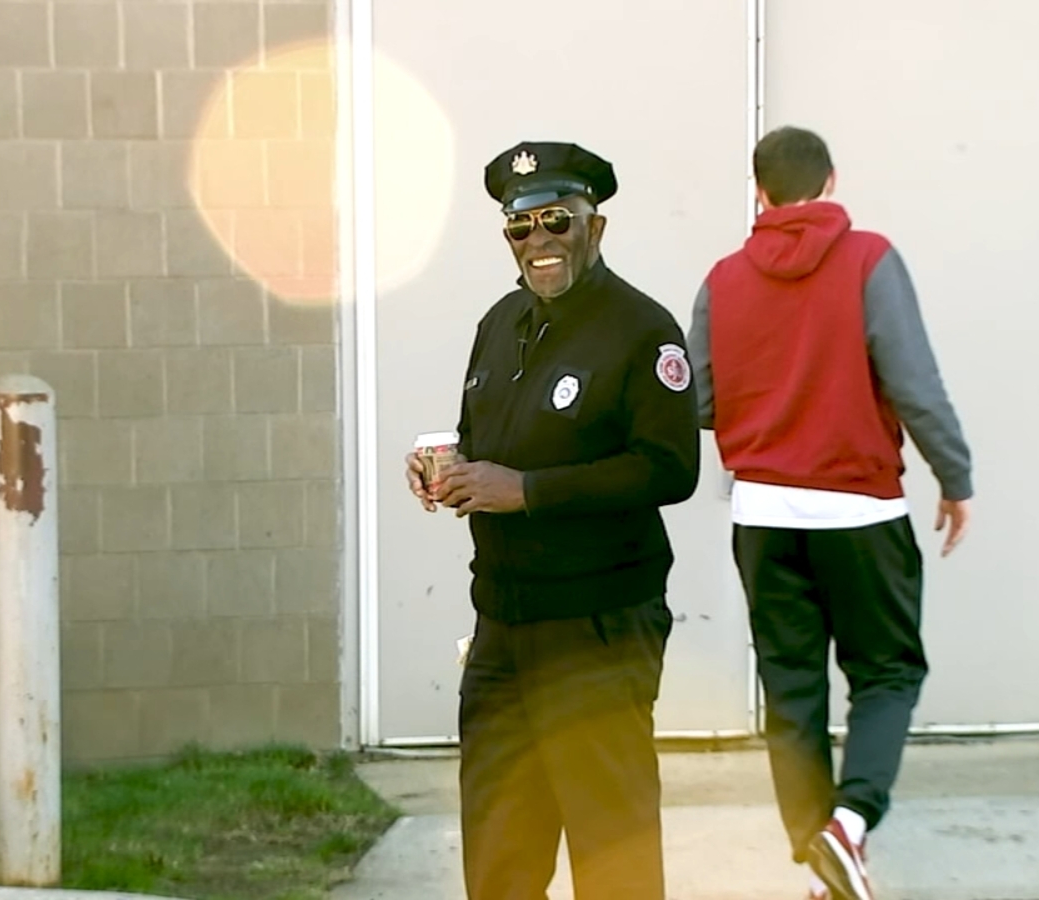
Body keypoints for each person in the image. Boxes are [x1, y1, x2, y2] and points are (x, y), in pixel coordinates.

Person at [403, 140, 700, 900]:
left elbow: (670, 469)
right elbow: (486, 441)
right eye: (520, 226)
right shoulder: (499, 322)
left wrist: (529, 491)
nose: (539, 240)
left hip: (597, 627)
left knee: (613, 857)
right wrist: (451, 470)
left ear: (594, 227)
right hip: (502, 626)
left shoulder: (642, 330)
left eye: (557, 222)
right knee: (499, 854)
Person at [685, 126, 974, 900]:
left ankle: (820, 868)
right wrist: (955, 477)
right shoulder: (869, 259)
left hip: (762, 516)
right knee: (887, 670)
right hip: (858, 511)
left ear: (759, 191)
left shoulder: (722, 279)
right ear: (832, 181)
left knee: (791, 688)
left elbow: (701, 400)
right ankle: (848, 825)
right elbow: (913, 383)